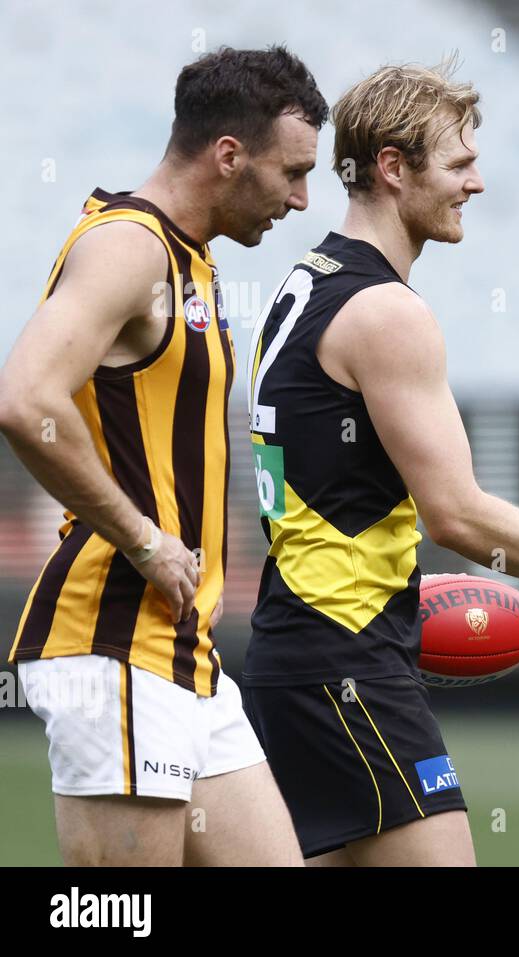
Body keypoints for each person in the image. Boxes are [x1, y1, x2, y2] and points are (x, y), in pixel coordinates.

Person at [241, 62, 519, 867]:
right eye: (458, 165)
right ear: (392, 167)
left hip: (303, 655)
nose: (476, 184)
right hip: (346, 661)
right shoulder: (387, 313)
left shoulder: (304, 282)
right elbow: (458, 511)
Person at [0, 46, 328, 866]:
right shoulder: (131, 247)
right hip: (115, 644)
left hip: (185, 654)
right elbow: (24, 399)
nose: (301, 198)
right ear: (228, 155)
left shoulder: (194, 262)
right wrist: (144, 539)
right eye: (291, 172)